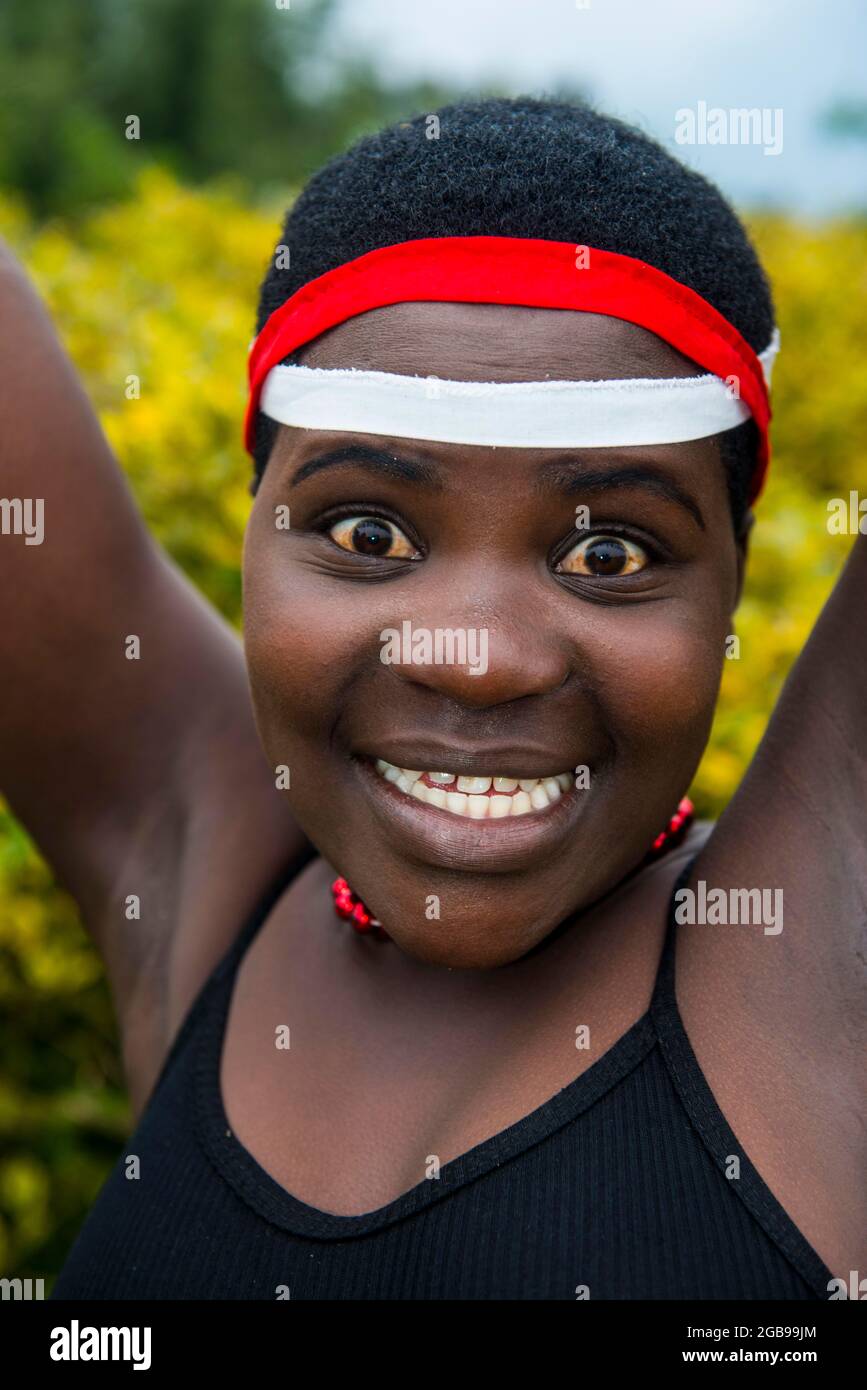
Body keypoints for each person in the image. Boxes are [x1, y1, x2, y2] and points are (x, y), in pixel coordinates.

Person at [2, 97, 862, 1300]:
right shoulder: (201, 872)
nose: (475, 657)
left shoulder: (818, 962)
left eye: (608, 553)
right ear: (251, 534)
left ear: (734, 579)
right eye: (368, 529)